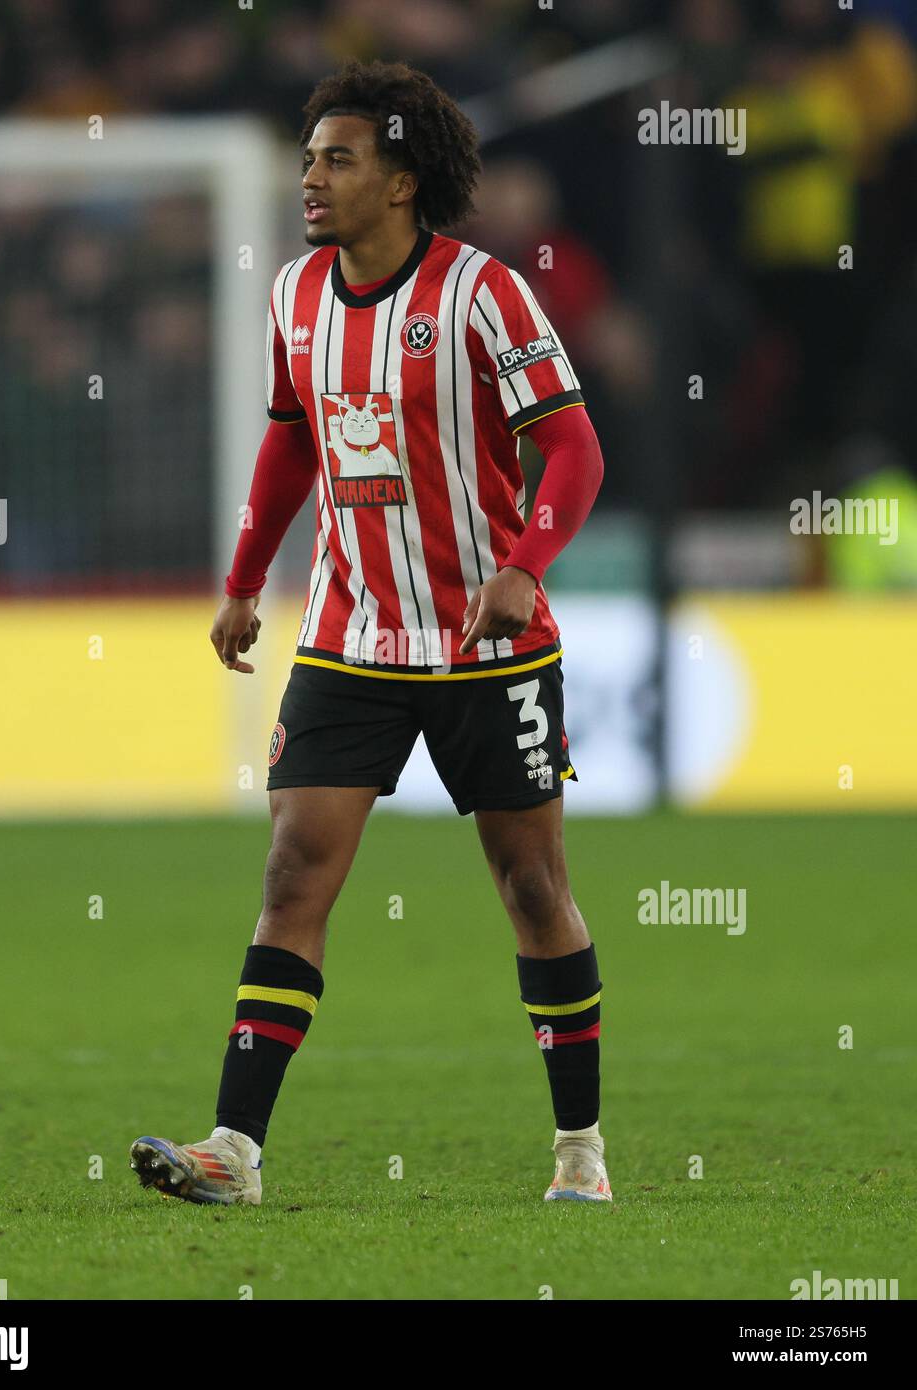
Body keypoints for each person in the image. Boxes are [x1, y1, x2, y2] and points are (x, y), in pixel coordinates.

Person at [130, 59, 609, 1207]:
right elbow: (291, 438)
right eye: (307, 158)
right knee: (293, 869)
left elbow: (575, 450)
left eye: (335, 158)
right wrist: (247, 578)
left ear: (400, 180)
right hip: (350, 636)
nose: (309, 177)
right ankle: (232, 1151)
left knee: (531, 885)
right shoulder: (295, 292)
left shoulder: (485, 295)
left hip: (486, 646)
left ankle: (578, 1149)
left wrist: (521, 566)